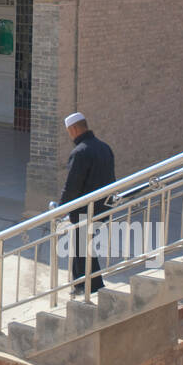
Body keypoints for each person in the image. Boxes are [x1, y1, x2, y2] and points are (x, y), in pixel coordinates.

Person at [59, 112, 114, 296]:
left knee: (82, 248)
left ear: (73, 129)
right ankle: (83, 285)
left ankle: (89, 286)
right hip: (103, 208)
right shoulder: (105, 148)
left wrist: (60, 209)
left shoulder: (80, 152)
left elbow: (72, 187)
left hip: (85, 211)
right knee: (83, 248)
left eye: (69, 132)